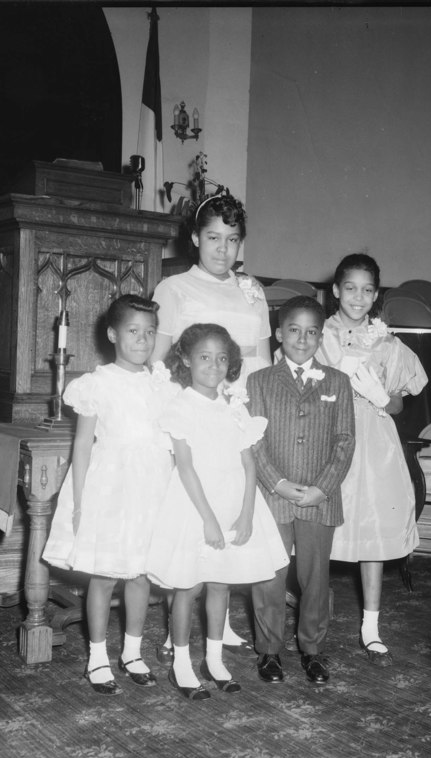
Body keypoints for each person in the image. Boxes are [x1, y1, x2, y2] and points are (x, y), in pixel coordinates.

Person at [151, 193, 272, 654]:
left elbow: (261, 358)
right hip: (193, 410)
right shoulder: (175, 289)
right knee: (191, 518)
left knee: (233, 511)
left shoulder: (252, 291)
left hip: (236, 411)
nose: (224, 250)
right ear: (195, 238)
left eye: (233, 240)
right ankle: (175, 626)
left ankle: (218, 623)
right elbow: (158, 361)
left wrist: (250, 409)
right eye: (214, 238)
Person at [42, 294, 179, 695]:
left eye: (150, 332)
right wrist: (81, 500)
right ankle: (98, 656)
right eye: (133, 331)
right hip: (111, 487)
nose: (142, 340)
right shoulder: (95, 384)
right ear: (113, 334)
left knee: (140, 574)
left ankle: (132, 652)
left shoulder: (162, 384)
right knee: (104, 575)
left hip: (153, 485)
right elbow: (83, 446)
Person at [147, 323, 289, 700]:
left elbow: (249, 465)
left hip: (233, 503)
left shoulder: (235, 408)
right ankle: (180, 663)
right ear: (186, 360)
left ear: (231, 363)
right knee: (188, 585)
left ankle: (213, 659)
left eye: (221, 358)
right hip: (196, 505)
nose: (213, 365)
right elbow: (186, 467)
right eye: (204, 357)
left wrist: (245, 514)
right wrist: (208, 519)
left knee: (221, 583)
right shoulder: (179, 406)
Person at [316, 254, 428, 666]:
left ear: (376, 294)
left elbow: (398, 404)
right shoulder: (320, 335)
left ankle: (371, 626)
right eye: (350, 288)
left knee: (374, 531)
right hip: (332, 439)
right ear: (335, 291)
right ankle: (312, 618)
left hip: (376, 442)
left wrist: (384, 398)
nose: (358, 297)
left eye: (367, 290)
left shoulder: (387, 343)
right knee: (322, 530)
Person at [246, 296, 356, 685]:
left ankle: (312, 649)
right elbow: (254, 441)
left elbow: (345, 441)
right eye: (294, 330)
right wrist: (276, 482)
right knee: (270, 576)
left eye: (312, 332)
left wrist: (321, 489)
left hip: (317, 499)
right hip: (273, 495)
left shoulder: (338, 382)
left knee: (316, 578)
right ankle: (269, 651)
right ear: (279, 333)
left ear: (321, 336)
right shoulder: (258, 381)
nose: (303, 338)